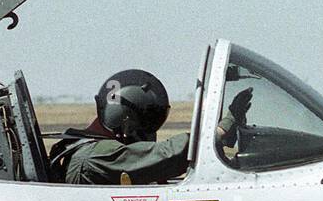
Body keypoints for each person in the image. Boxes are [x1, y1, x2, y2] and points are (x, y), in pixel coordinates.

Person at [48, 69, 250, 185]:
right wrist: (219, 132)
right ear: (126, 120)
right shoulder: (95, 156)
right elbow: (167, 155)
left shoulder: (95, 149)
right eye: (148, 122)